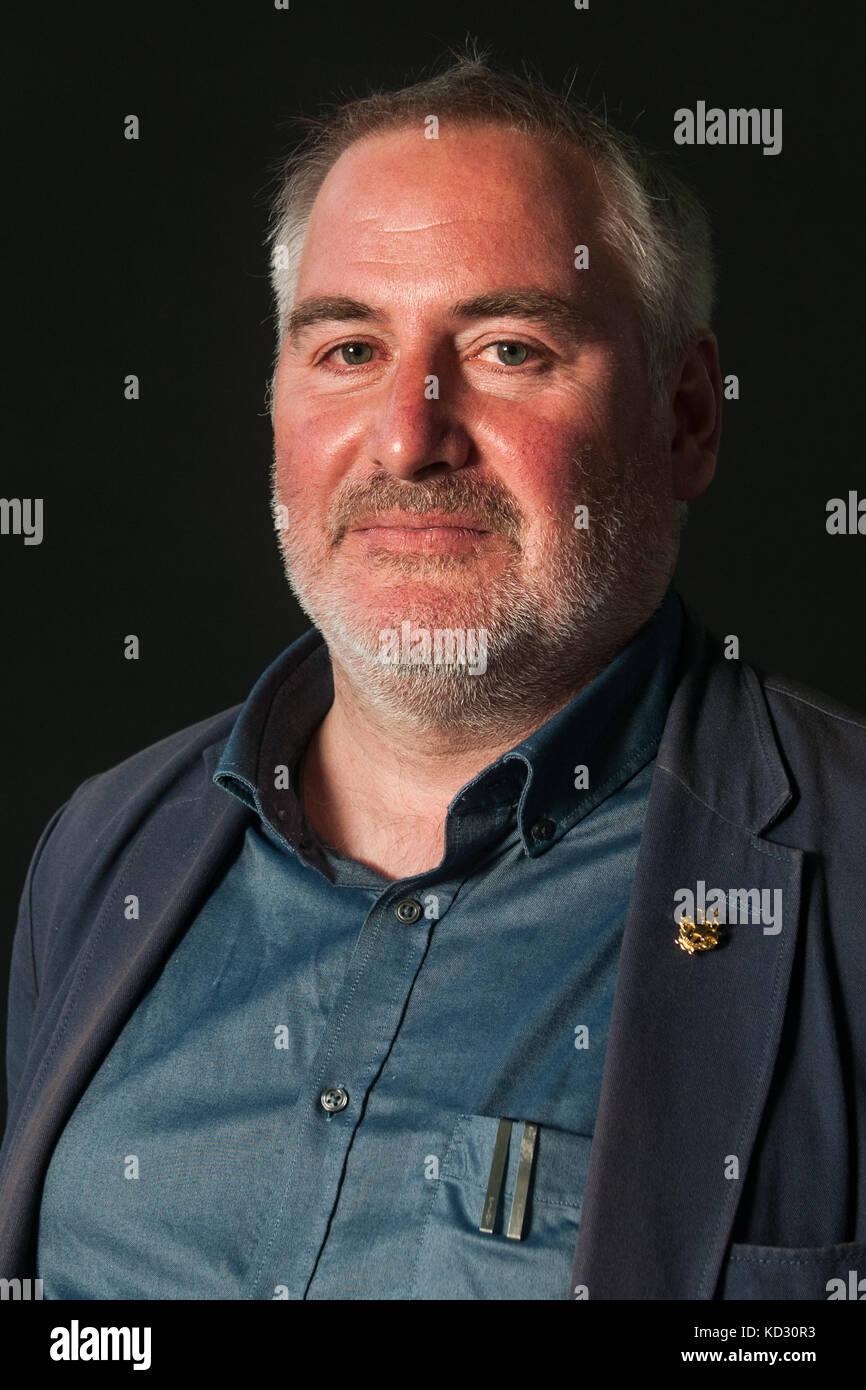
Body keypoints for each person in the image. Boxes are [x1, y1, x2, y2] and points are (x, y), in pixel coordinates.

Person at [2, 56, 865, 1301]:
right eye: (349, 348)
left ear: (685, 417)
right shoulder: (99, 852)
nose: (409, 435)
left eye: (508, 348)